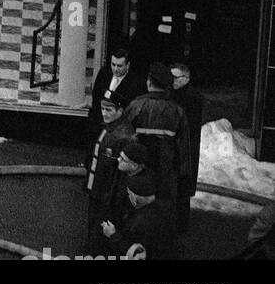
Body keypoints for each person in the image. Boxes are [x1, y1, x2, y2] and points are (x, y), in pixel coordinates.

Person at [122, 62, 190, 213]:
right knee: (161, 215)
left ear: (149, 82)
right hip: (165, 175)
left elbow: (122, 139)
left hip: (136, 172)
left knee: (134, 213)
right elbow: (183, 151)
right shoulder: (178, 111)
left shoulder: (135, 106)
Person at [87, 97, 136, 252]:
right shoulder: (108, 128)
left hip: (107, 195)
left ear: (120, 111)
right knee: (94, 229)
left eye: (109, 110)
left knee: (101, 236)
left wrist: (111, 198)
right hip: (98, 190)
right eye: (102, 109)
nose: (104, 113)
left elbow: (122, 173)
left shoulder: (123, 136)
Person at [102, 173, 179, 261]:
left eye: (129, 194)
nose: (128, 196)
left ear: (135, 199)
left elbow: (135, 253)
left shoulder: (140, 223)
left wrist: (113, 234)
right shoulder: (163, 210)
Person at [171, 61, 203, 234]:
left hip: (185, 149)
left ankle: (180, 227)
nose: (172, 81)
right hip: (183, 147)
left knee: (182, 190)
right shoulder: (182, 94)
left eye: (176, 77)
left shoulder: (192, 97)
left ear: (186, 78)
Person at [88, 40, 139, 143]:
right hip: (99, 125)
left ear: (128, 65)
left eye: (119, 66)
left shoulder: (135, 82)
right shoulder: (104, 73)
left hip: (120, 131)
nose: (115, 69)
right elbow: (96, 96)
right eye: (113, 64)